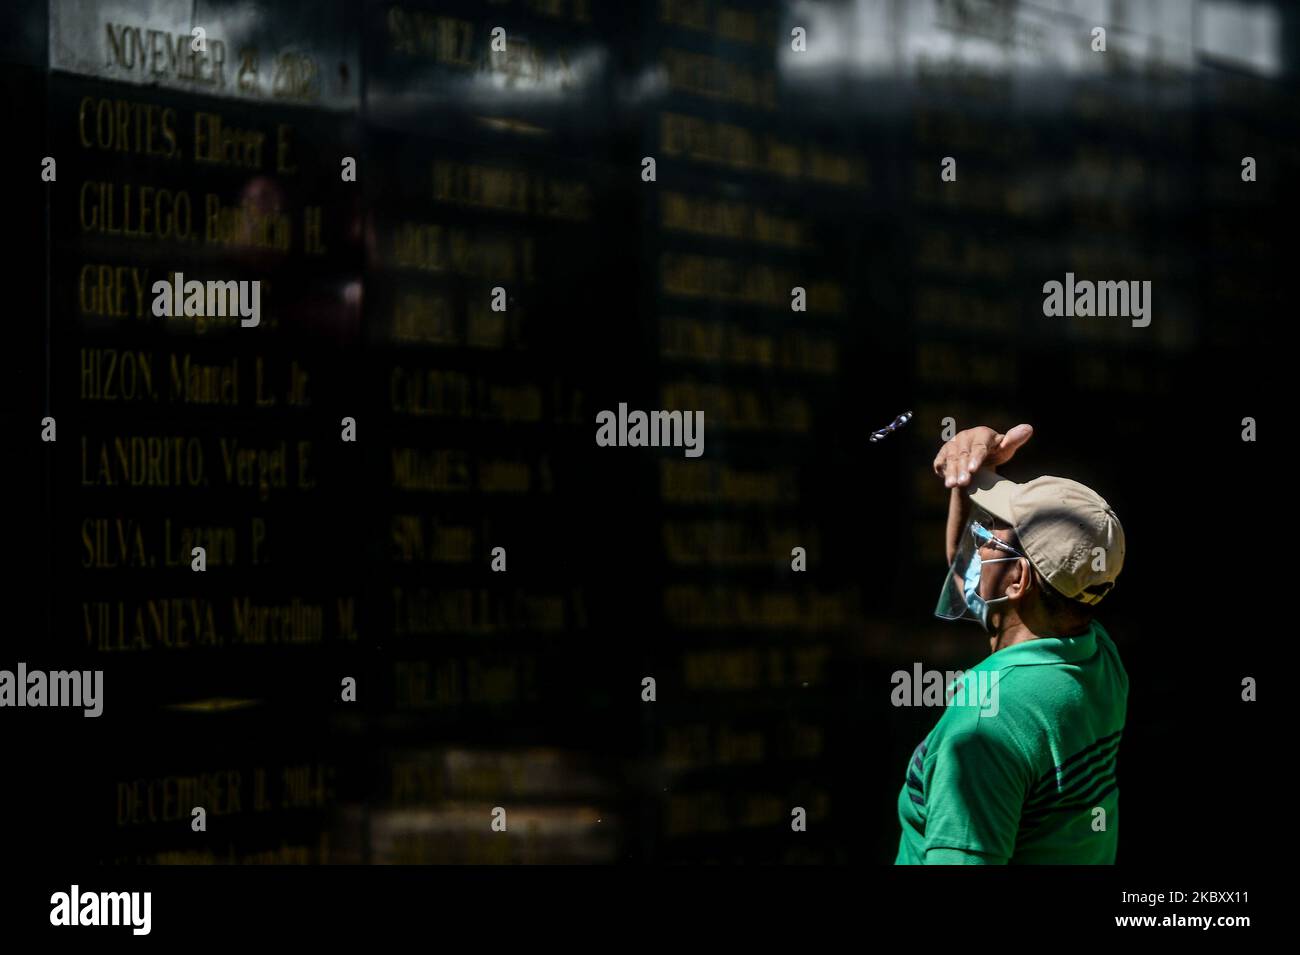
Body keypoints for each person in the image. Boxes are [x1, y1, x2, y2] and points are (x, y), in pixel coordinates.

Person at [895, 424, 1129, 864]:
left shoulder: (985, 728)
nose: (976, 542)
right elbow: (979, 577)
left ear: (1018, 580)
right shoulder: (1094, 655)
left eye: (988, 533)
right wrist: (968, 479)